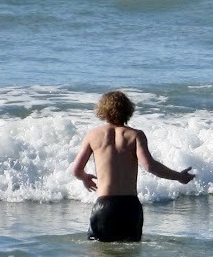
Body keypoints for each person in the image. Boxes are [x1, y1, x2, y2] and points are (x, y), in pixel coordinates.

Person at [70, 91, 195, 242]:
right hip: (130, 206)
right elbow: (150, 166)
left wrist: (84, 178)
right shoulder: (135, 135)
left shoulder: (92, 135)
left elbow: (76, 170)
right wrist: (179, 176)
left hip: (104, 206)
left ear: (102, 110)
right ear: (128, 111)